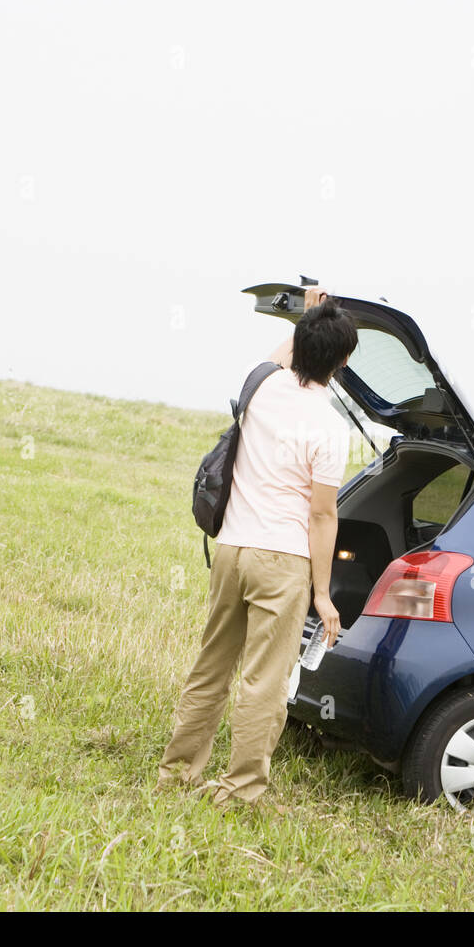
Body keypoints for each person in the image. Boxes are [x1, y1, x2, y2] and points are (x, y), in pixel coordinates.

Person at [156, 287, 358, 808]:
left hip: (230, 550)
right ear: (342, 362)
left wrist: (311, 315)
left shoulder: (262, 384)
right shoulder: (330, 428)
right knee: (264, 681)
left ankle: (177, 775)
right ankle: (240, 791)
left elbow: (285, 352)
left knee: (211, 668)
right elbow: (320, 514)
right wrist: (323, 593)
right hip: (282, 561)